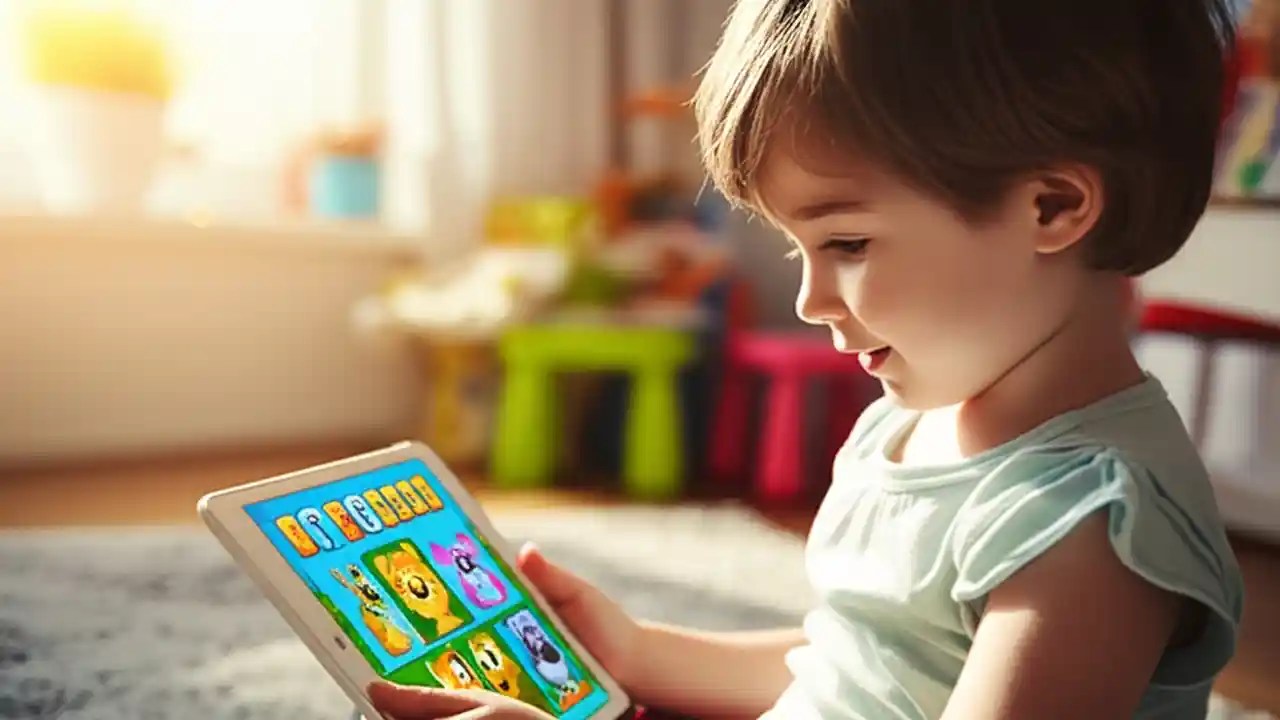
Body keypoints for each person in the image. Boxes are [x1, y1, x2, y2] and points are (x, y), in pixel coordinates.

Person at [368, 0, 1246, 717]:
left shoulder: (1088, 523)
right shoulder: (906, 427)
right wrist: (636, 652)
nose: (809, 301)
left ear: (1052, 207)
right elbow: (857, 662)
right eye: (799, 250)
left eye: (849, 243)